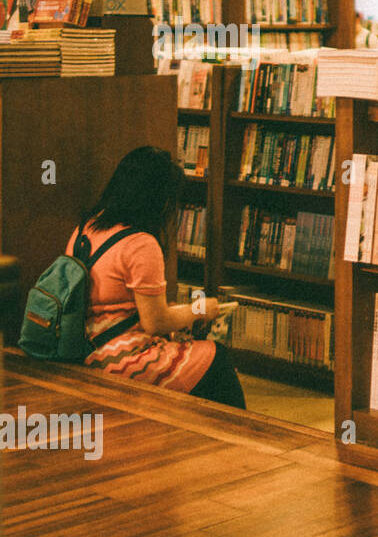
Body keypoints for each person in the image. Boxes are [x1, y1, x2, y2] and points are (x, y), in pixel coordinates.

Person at [67, 145, 245, 408]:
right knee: (215, 357)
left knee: (194, 357)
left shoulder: (86, 228)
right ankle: (242, 440)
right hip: (118, 357)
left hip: (80, 345)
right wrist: (199, 309)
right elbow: (155, 322)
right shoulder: (140, 243)